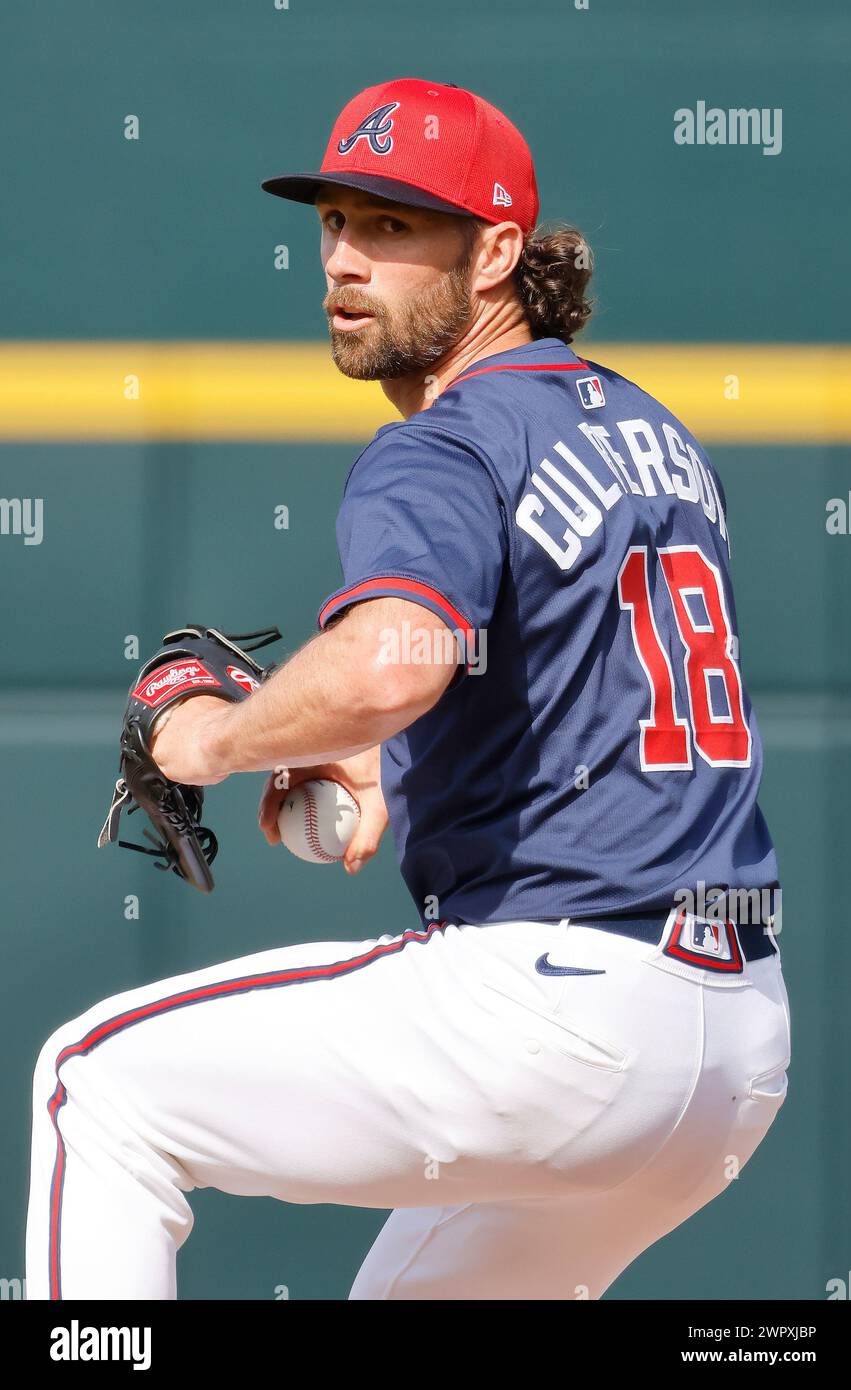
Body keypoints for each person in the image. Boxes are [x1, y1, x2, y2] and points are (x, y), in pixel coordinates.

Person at [26, 77, 790, 1301]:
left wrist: (211, 736)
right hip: (729, 1042)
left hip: (553, 1011)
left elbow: (395, 658)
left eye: (392, 228)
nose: (344, 259)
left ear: (496, 253)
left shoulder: (443, 437)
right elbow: (573, 671)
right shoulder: (650, 433)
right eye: (334, 222)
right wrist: (391, 754)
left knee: (91, 1083)